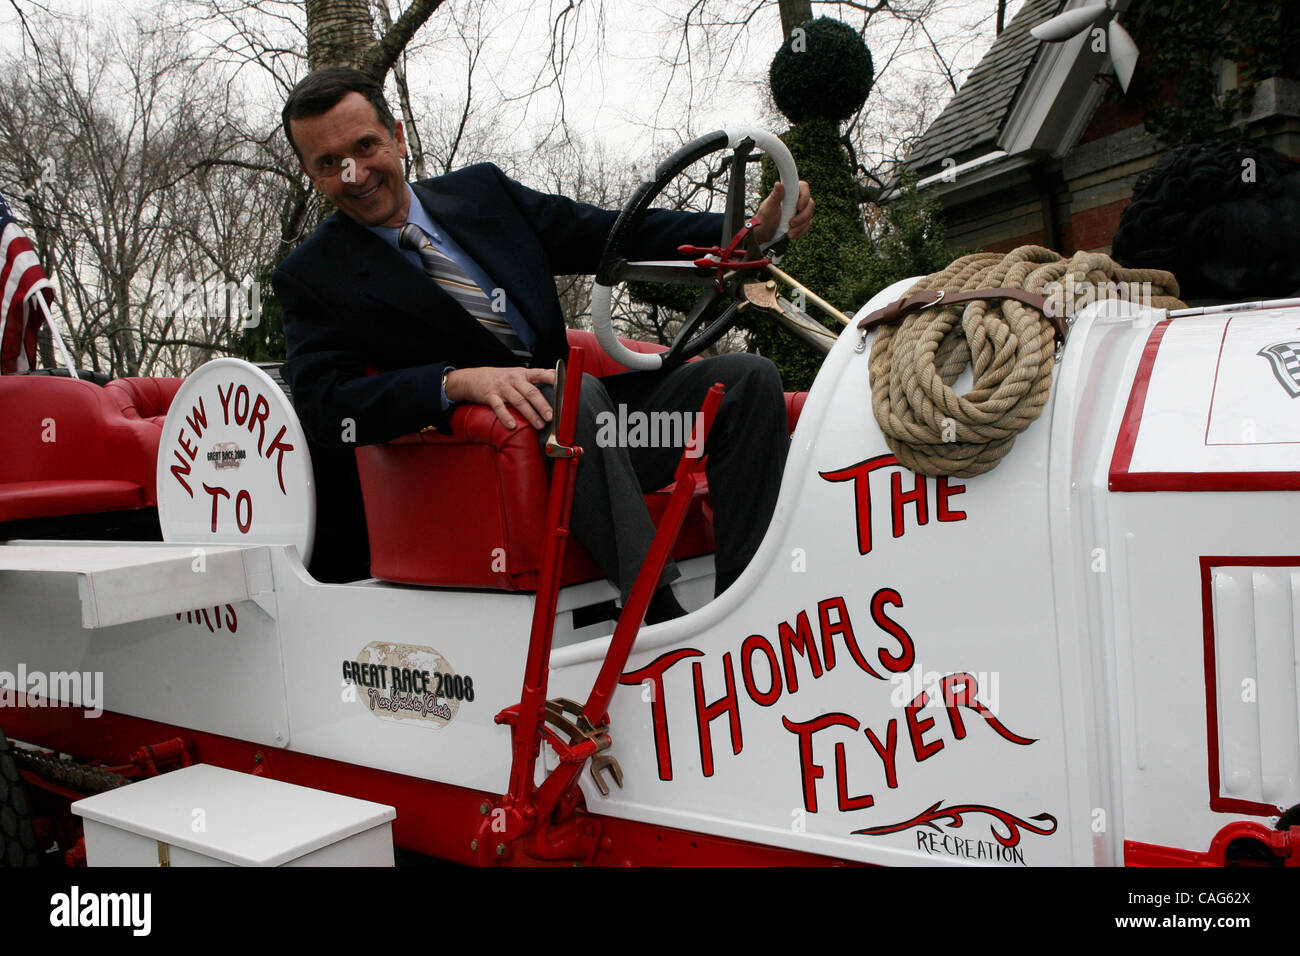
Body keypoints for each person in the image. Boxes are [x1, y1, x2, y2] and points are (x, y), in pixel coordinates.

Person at [273, 67, 814, 622]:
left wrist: (747, 232)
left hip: (601, 433)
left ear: (399, 135)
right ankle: (660, 617)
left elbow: (611, 233)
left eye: (366, 146)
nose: (356, 173)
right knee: (569, 396)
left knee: (745, 380)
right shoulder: (313, 276)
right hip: (489, 459)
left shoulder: (482, 193)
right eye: (329, 163)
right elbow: (323, 406)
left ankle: (748, 604)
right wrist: (453, 382)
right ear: (310, 174)